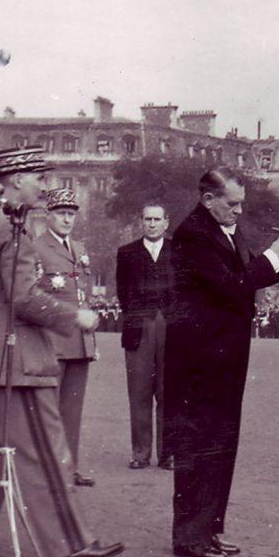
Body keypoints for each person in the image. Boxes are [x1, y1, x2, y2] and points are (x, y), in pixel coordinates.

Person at [0, 146, 121, 557]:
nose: (44, 185)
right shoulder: (14, 227)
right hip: (18, 362)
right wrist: (74, 316)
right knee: (45, 450)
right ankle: (70, 542)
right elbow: (23, 298)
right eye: (38, 177)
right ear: (15, 179)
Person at [164, 168, 279, 557]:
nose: (238, 211)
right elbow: (231, 285)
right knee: (199, 444)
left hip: (225, 355)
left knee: (222, 442)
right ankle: (190, 536)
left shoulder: (222, 228)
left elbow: (245, 277)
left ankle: (210, 529)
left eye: (241, 203)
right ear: (208, 199)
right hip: (200, 359)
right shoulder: (193, 234)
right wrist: (275, 252)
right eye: (232, 203)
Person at [34, 187, 97, 487]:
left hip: (80, 342)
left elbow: (83, 296)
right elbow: (33, 296)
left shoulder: (80, 248)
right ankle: (48, 470)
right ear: (49, 216)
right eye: (61, 213)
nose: (67, 219)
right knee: (49, 410)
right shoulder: (37, 248)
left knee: (73, 411)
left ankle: (68, 468)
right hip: (53, 340)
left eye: (71, 214)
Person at [116, 202, 174, 471]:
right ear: (142, 221)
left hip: (170, 329)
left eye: (156, 219)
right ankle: (140, 453)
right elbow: (122, 293)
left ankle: (168, 454)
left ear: (166, 222)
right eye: (147, 219)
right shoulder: (126, 253)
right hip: (139, 329)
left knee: (169, 393)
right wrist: (139, 317)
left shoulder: (179, 252)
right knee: (138, 393)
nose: (152, 223)